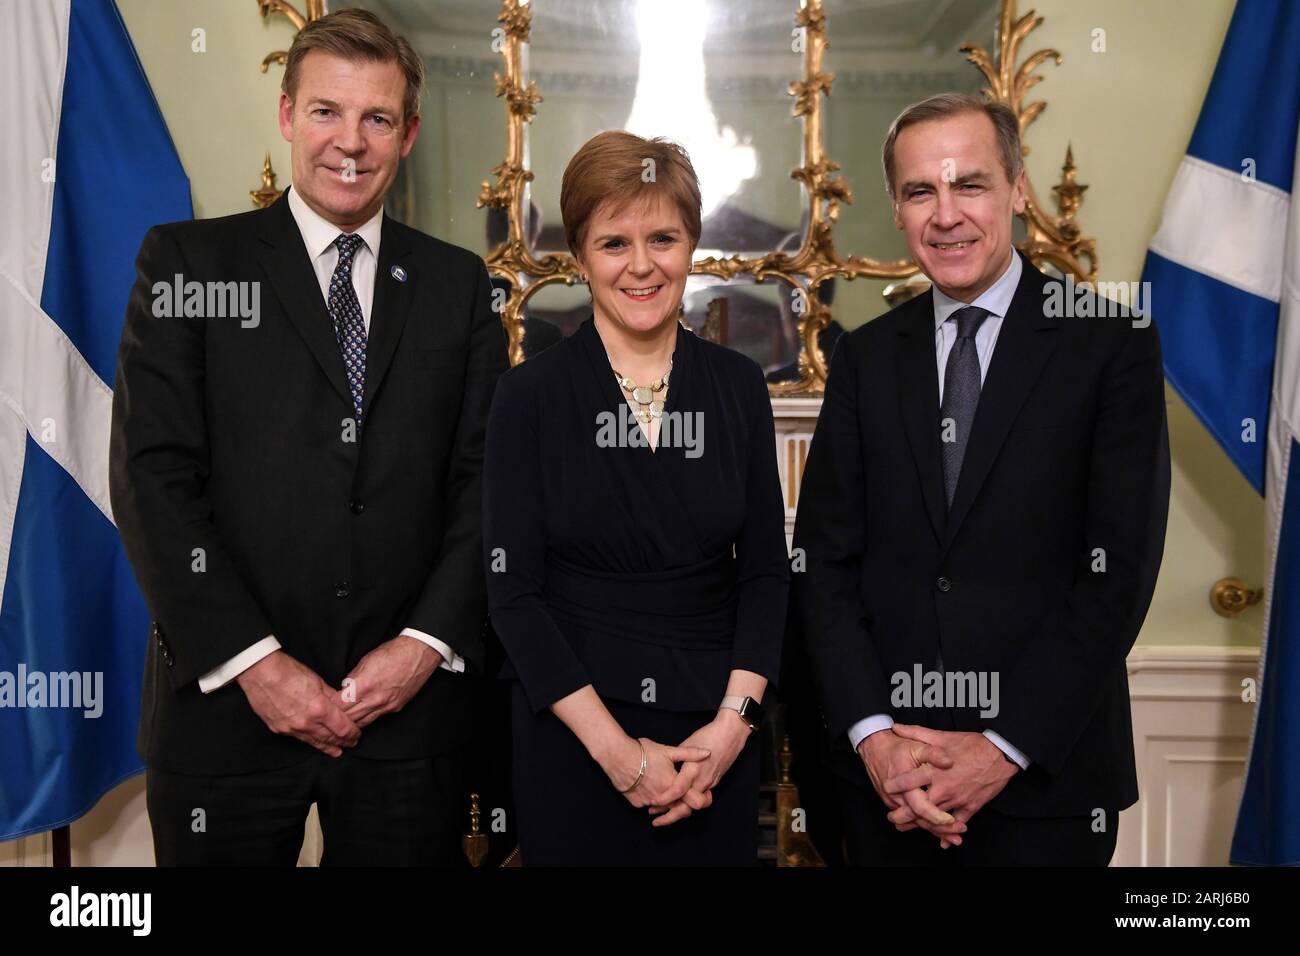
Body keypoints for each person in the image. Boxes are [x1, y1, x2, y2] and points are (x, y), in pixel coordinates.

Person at [109, 9, 507, 865]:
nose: (350, 142)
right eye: (327, 111)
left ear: (409, 133)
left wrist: (420, 648)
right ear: (288, 115)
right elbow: (153, 480)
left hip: (409, 720)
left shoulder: (457, 285)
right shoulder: (190, 266)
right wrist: (258, 666)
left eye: (377, 118)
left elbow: (485, 487)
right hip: (225, 713)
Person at [792, 93, 1170, 866]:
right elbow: (824, 564)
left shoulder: (1110, 345)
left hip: (1044, 786)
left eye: (970, 184)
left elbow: (1115, 577)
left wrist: (999, 748)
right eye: (920, 190)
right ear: (896, 209)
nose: (946, 214)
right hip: (886, 792)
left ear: (1019, 191)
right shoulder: (864, 358)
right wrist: (875, 739)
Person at [483, 131, 789, 865]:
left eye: (664, 238)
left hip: (712, 744)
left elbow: (767, 574)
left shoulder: (739, 387)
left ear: (692, 245)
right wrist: (620, 756)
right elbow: (511, 595)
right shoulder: (528, 396)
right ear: (580, 257)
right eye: (614, 242)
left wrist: (732, 728)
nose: (643, 265)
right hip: (574, 738)